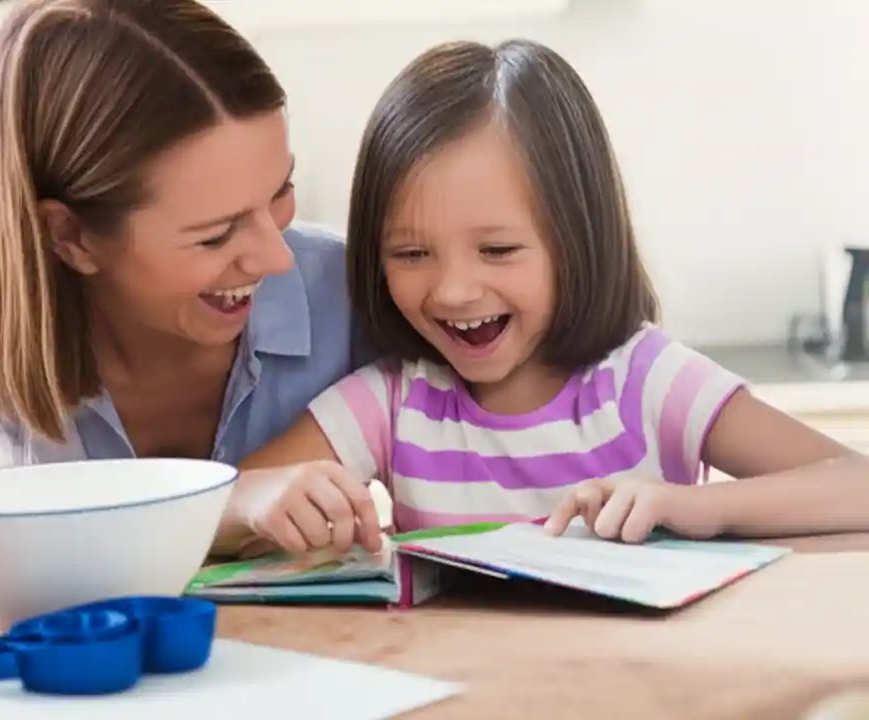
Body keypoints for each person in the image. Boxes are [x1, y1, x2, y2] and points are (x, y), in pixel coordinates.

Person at [214, 39, 869, 557]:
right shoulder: (394, 401)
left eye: (498, 251)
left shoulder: (643, 382)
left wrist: (696, 508)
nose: (454, 290)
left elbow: (857, 484)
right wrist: (252, 505)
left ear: (576, 237)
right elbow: (193, 512)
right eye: (411, 254)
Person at [0, 0, 383, 604]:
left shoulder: (342, 284)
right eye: (215, 234)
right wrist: (207, 510)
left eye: (281, 193)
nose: (275, 257)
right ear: (71, 237)